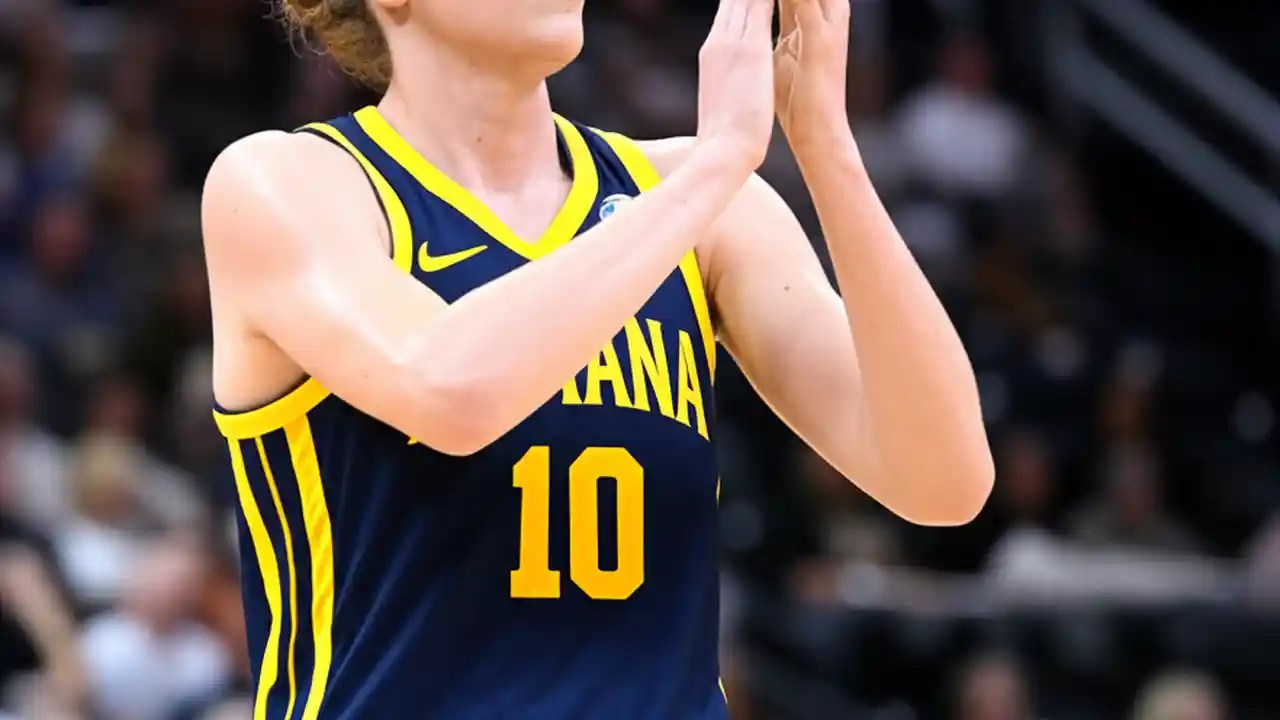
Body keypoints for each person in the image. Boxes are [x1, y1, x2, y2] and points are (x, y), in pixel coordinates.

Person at [199, 0, 993, 717]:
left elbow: (944, 479)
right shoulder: (287, 184)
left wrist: (824, 142)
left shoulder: (699, 202)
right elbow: (449, 390)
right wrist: (720, 161)